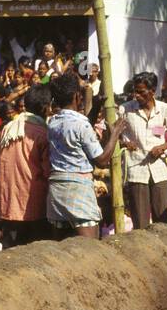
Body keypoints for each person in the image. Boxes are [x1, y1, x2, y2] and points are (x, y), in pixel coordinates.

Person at [46, 74, 128, 237]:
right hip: (78, 190)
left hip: (56, 190)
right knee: (89, 250)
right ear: (77, 96)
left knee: (61, 250)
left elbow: (78, 132)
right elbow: (102, 161)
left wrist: (96, 106)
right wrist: (115, 134)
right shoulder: (80, 124)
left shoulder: (52, 122)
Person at [0, 84, 52, 246]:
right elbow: (48, 172)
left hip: (9, 204)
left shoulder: (7, 129)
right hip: (35, 207)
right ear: (45, 108)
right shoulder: (42, 133)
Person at [122, 72, 167, 229]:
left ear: (152, 91)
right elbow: (112, 134)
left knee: (163, 220)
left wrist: (163, 147)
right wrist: (124, 144)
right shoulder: (125, 110)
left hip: (158, 169)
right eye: (135, 91)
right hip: (136, 169)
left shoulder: (165, 109)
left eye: (141, 92)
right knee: (140, 222)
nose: (136, 95)